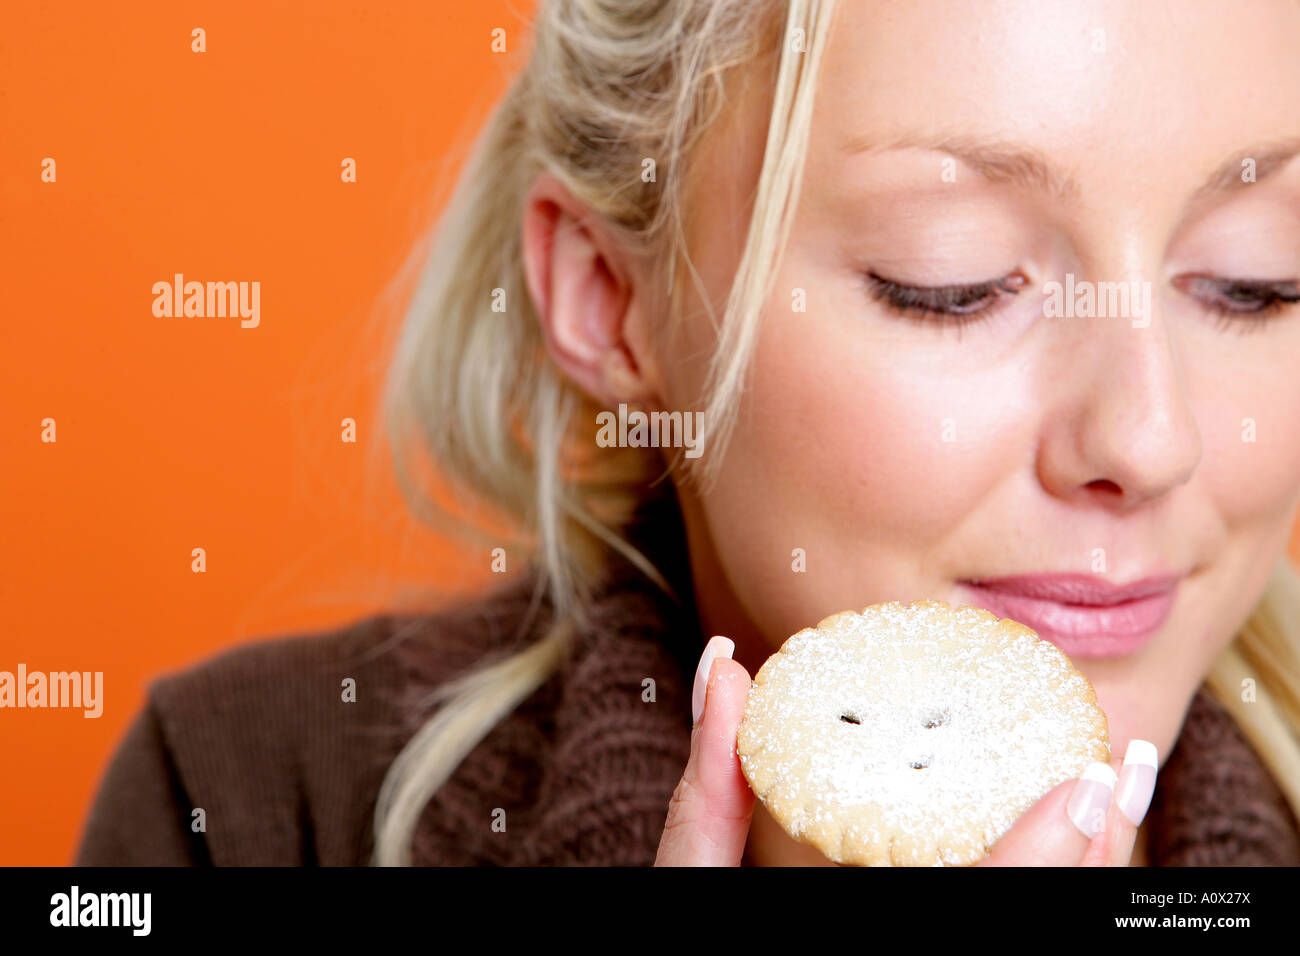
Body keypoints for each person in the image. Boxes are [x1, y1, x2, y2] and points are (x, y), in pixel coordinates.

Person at [78, 0, 1300, 867]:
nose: (1148, 437)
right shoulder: (248, 808)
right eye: (953, 279)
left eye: (1256, 282)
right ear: (614, 299)